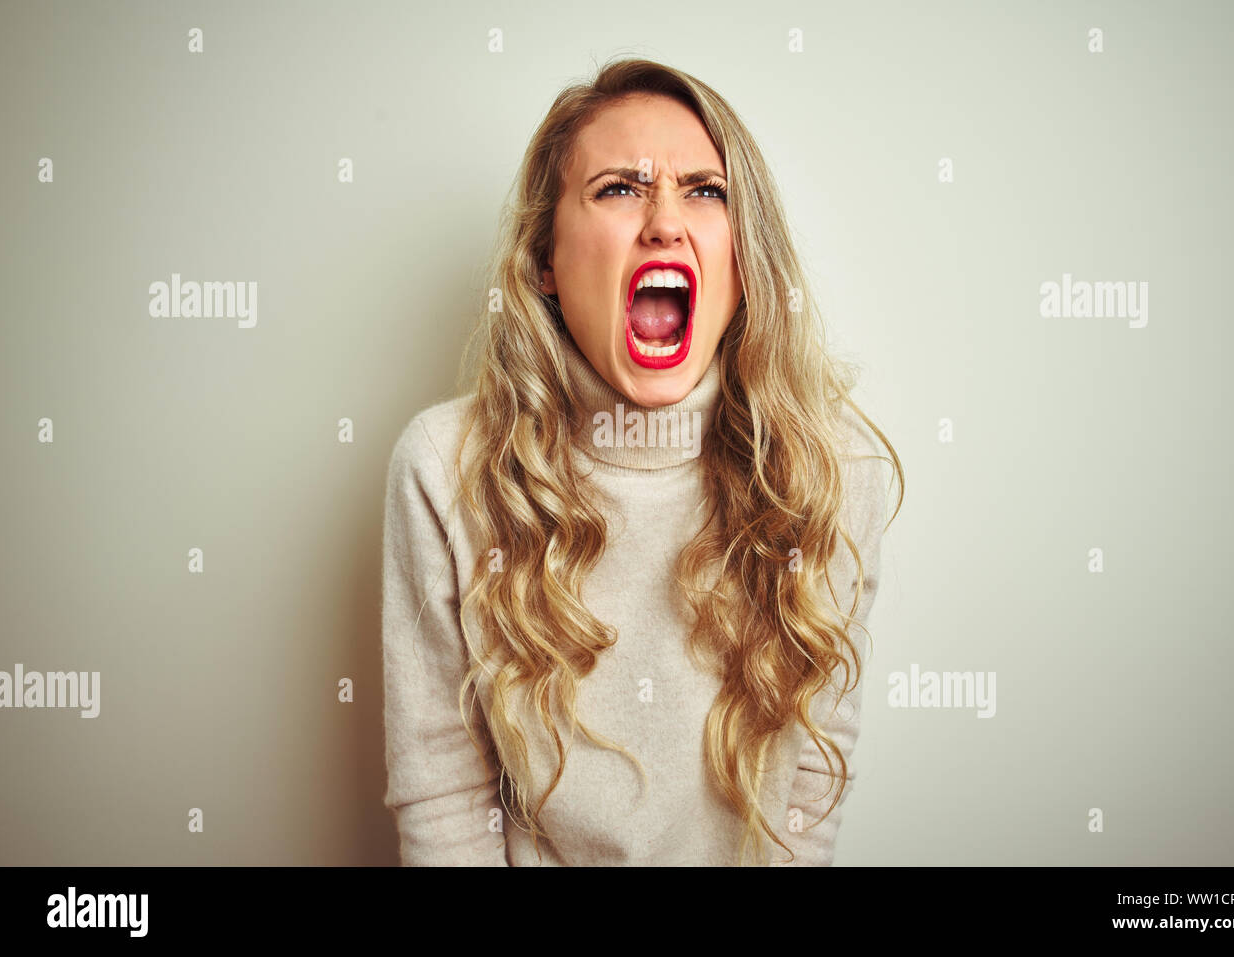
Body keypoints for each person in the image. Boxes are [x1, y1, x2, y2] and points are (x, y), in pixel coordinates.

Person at [381, 57, 903, 866]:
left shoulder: (835, 470)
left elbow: (808, 795)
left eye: (705, 191)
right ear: (545, 263)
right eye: (621, 188)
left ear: (743, 260)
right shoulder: (446, 469)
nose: (665, 221)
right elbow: (444, 799)